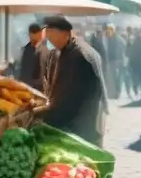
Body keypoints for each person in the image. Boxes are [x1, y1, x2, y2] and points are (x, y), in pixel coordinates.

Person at [42, 15, 108, 146]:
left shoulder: (79, 56)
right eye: (47, 36)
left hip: (83, 119)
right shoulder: (67, 50)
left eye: (52, 35)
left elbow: (70, 95)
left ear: (66, 33)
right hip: (80, 117)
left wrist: (47, 116)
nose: (49, 40)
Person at [18, 23, 50, 92]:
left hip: (38, 87)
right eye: (32, 34)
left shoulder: (44, 49)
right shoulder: (27, 49)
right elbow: (24, 70)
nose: (33, 36)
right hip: (28, 86)